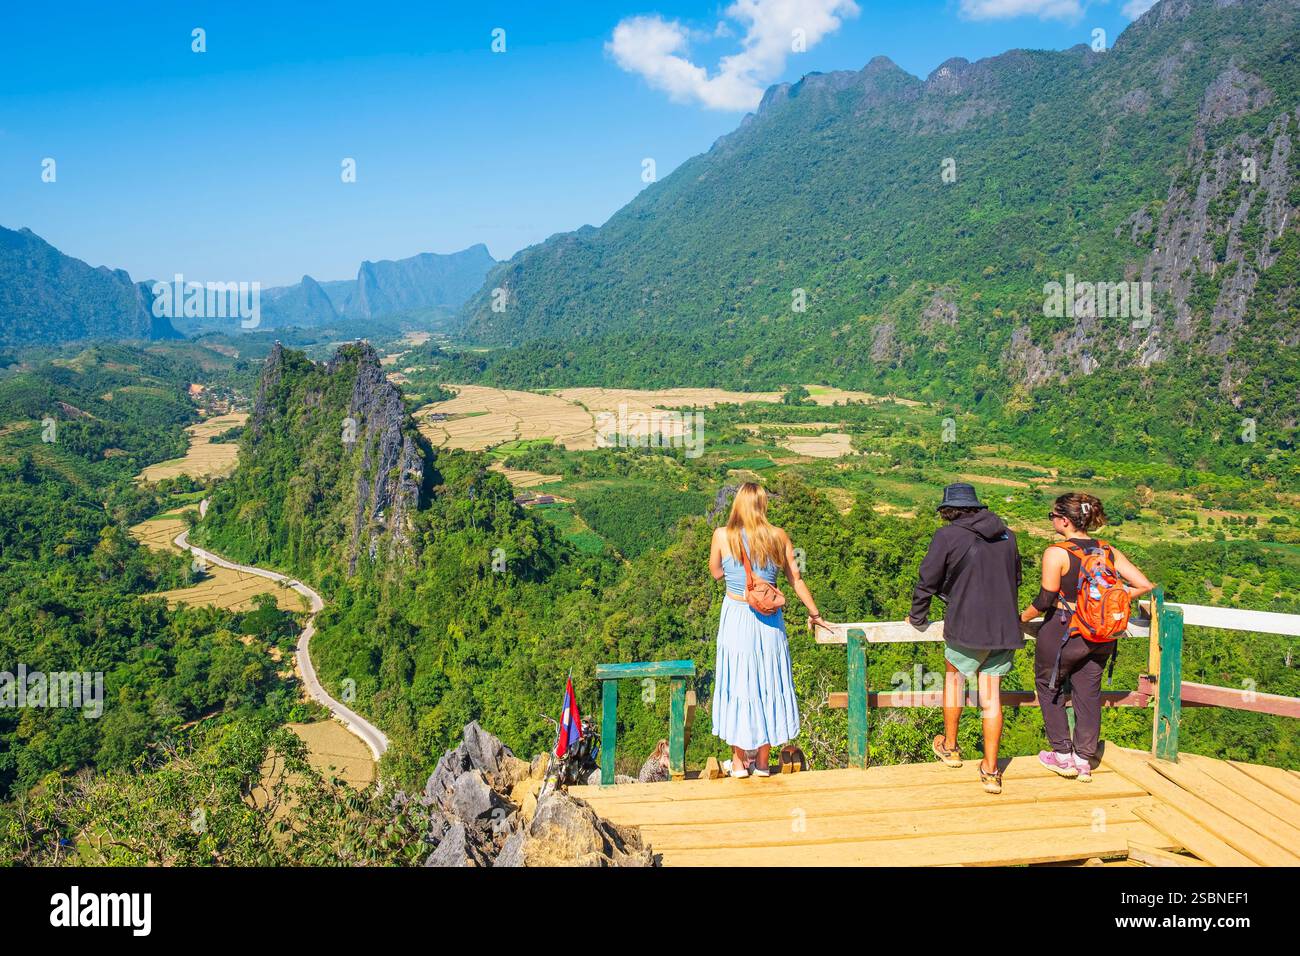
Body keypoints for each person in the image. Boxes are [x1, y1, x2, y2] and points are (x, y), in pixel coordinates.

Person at [1020, 493, 1153, 781]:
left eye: (1053, 516)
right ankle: (1083, 759)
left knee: (1049, 686)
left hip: (1065, 629)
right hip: (1102, 634)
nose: (1052, 521)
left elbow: (1045, 599)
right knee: (1089, 693)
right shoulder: (1107, 550)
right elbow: (1144, 585)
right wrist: (1105, 602)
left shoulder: (1056, 552)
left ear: (1065, 521)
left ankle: (1062, 755)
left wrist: (1020, 618)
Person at [909, 482, 1023, 794]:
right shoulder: (1008, 535)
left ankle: (950, 747)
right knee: (992, 697)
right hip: (1004, 629)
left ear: (949, 510)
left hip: (967, 626)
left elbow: (927, 580)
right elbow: (1016, 580)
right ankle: (991, 770)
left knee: (954, 682)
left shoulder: (947, 536)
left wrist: (917, 617)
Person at [709, 482, 825, 779]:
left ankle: (738, 762)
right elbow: (796, 579)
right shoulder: (778, 536)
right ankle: (762, 761)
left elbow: (716, 572)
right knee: (767, 682)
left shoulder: (722, 535)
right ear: (763, 505)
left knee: (739, 683)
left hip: (736, 616)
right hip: (769, 621)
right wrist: (815, 613)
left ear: (737, 505)